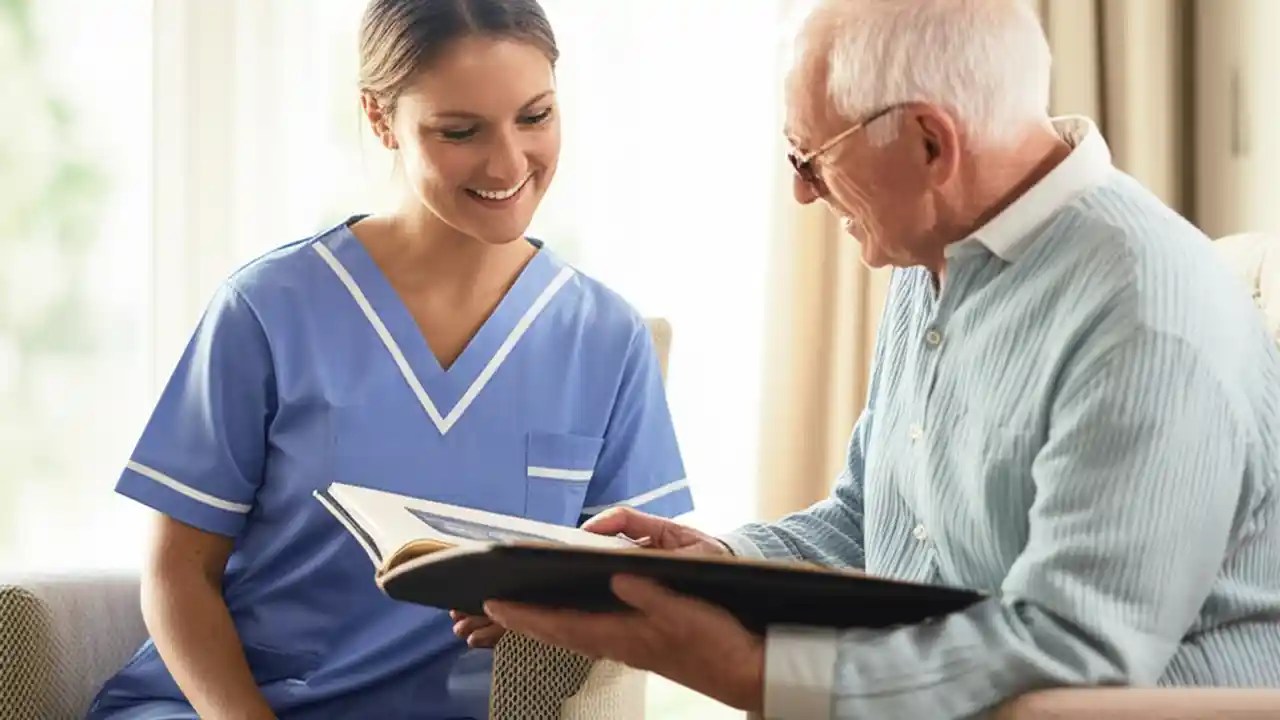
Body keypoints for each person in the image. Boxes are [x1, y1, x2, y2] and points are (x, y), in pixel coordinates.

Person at [480, 0, 1280, 717]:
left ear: (931, 142)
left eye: (809, 158)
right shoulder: (933, 254)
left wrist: (755, 675)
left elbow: (1076, 653)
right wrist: (712, 564)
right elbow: (872, 523)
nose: (802, 193)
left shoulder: (1144, 314)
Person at [86, 1, 692, 718]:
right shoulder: (268, 309)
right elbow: (176, 574)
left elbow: (641, 583)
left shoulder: (606, 340)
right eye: (460, 131)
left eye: (535, 117)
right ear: (379, 120)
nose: (508, 163)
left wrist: (555, 607)